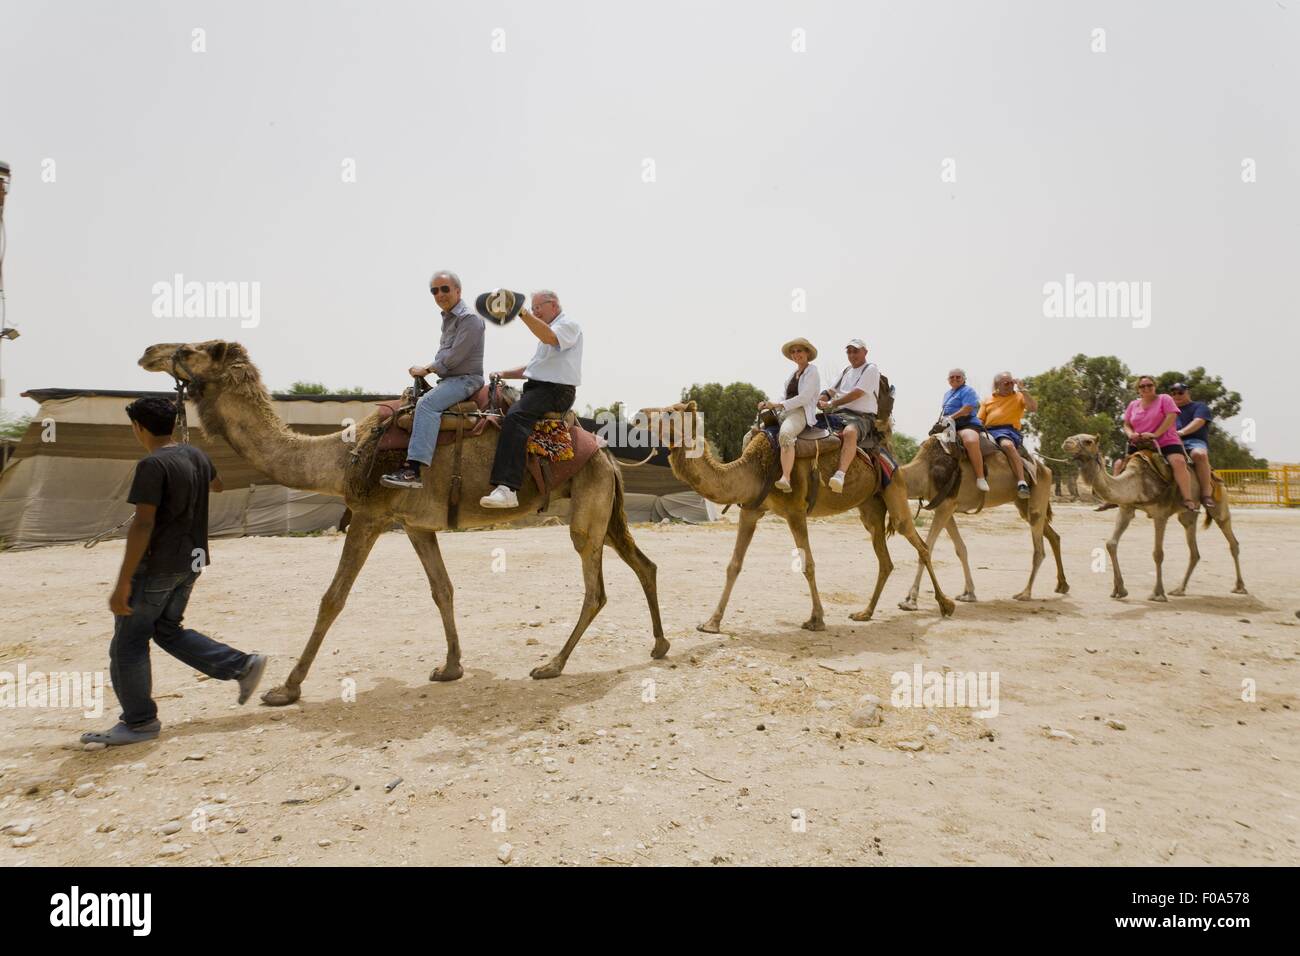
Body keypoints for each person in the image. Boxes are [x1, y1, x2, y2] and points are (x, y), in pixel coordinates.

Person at [81, 397, 266, 747]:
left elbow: (143, 524)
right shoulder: (194, 454)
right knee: (166, 629)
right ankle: (242, 665)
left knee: (129, 642)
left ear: (138, 427)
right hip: (192, 561)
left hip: (160, 565)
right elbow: (219, 485)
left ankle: (139, 722)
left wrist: (122, 583)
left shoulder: (152, 464)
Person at [382, 270, 485, 489]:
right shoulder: (448, 319)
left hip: (465, 379)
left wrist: (426, 369)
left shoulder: (470, 319)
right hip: (448, 381)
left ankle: (413, 470)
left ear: (458, 290)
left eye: (445, 289)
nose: (440, 294)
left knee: (426, 405)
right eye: (434, 291)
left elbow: (455, 358)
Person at [480, 290, 582, 508]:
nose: (535, 312)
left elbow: (549, 337)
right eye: (532, 308)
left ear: (553, 305)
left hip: (556, 390)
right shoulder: (547, 333)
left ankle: (508, 488)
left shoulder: (568, 325)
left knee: (516, 416)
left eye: (538, 308)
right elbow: (533, 368)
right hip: (538, 388)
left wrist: (521, 311)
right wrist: (503, 373)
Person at [1119, 375, 1196, 511]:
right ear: (1138, 389)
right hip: (1139, 443)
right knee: (1119, 465)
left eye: (1150, 385)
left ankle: (1188, 499)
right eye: (1142, 386)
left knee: (1178, 462)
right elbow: (1126, 424)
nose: (1146, 388)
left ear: (1155, 386)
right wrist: (1131, 434)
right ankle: (1116, 499)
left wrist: (1155, 435)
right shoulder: (1133, 405)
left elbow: (1171, 416)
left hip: (1165, 441)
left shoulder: (1164, 399)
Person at [758, 338, 821, 493]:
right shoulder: (792, 374)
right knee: (753, 434)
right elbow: (783, 396)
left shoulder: (813, 371)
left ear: (807, 353)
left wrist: (779, 405)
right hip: (785, 412)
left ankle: (786, 477)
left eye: (799, 350)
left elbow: (804, 398)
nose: (796, 354)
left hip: (801, 412)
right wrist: (769, 404)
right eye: (793, 352)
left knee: (785, 434)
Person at [817, 337, 880, 494]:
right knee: (809, 425)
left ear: (865, 352)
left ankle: (840, 474)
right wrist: (820, 399)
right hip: (839, 413)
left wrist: (831, 404)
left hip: (861, 417)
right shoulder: (846, 371)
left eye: (856, 351)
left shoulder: (871, 369)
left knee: (849, 432)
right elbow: (830, 391)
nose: (852, 354)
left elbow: (857, 393)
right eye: (849, 351)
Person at [977, 372, 1038, 499]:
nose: (1010, 385)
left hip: (1007, 431)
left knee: (1007, 445)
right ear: (997, 385)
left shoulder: (1019, 396)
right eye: (1006, 383)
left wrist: (1023, 389)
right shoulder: (987, 400)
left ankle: (1022, 483)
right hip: (987, 431)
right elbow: (980, 420)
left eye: (1012, 382)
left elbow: (1033, 408)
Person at [941, 369, 989, 492]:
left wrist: (951, 417)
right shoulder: (947, 394)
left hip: (967, 424)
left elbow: (967, 409)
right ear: (948, 380)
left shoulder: (968, 391)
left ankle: (980, 477)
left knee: (970, 441)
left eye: (958, 377)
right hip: (949, 425)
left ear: (964, 379)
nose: (955, 379)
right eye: (952, 377)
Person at [1172, 381, 1216, 509]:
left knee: (1199, 454)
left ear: (1187, 392)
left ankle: (1206, 495)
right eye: (1174, 393)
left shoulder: (1199, 407)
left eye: (1180, 392)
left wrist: (1181, 432)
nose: (1177, 395)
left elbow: (1199, 421)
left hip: (1194, 441)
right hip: (1172, 442)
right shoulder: (1169, 411)